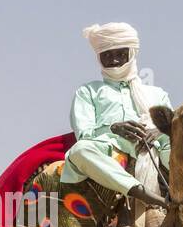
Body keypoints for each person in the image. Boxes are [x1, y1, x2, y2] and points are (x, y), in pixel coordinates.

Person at [61, 23, 170, 209]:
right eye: (107, 55)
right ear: (99, 58)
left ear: (132, 53)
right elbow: (85, 134)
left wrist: (159, 131)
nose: (114, 60)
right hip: (107, 151)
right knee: (80, 150)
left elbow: (174, 130)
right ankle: (143, 193)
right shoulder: (88, 91)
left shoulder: (157, 93)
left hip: (157, 150)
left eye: (120, 54)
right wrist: (114, 128)